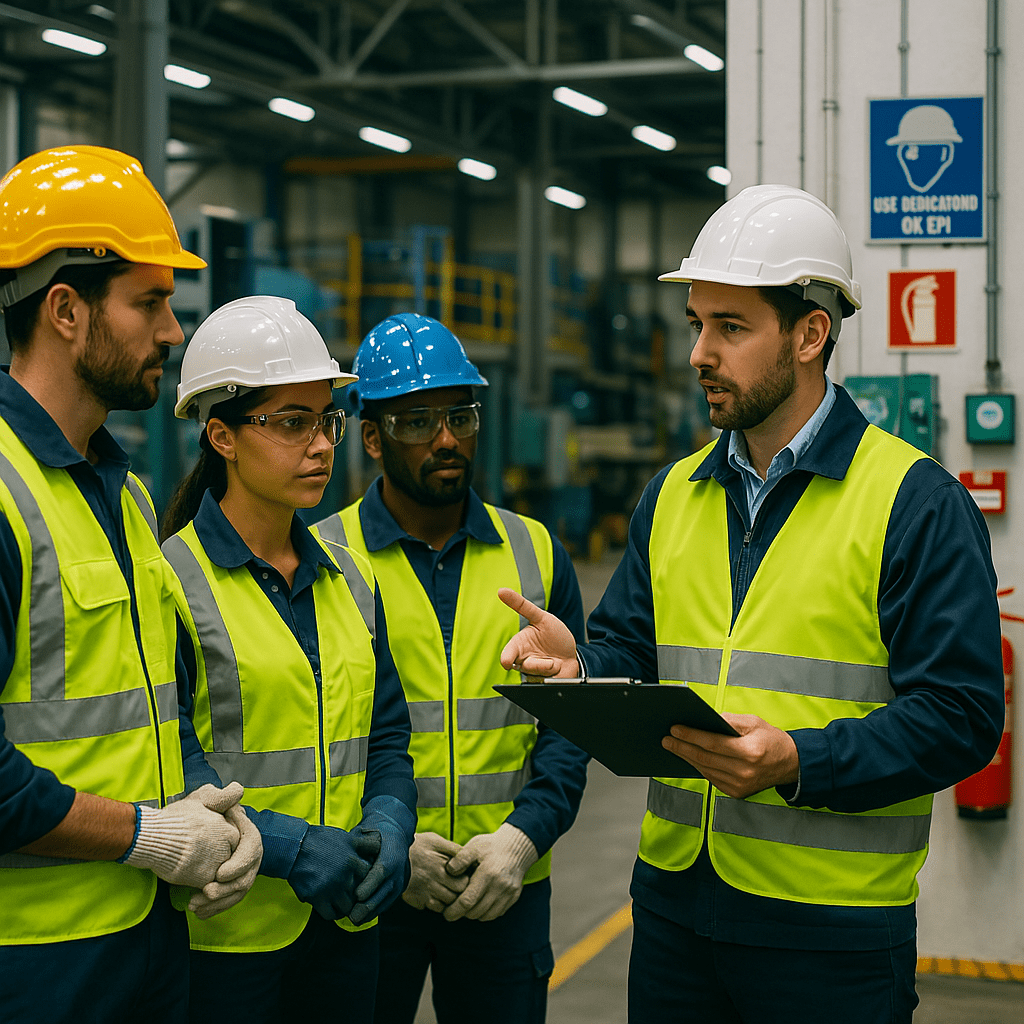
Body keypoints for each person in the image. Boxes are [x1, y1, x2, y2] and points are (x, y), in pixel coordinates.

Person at [498, 184, 1004, 1024]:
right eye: (696, 323)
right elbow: (637, 653)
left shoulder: (913, 503)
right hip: (672, 914)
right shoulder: (672, 496)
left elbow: (960, 715)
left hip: (832, 934)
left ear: (811, 335)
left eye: (730, 328)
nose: (699, 352)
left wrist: (799, 762)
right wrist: (580, 665)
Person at [0, 145, 262, 1024]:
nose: (174, 331)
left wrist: (204, 806)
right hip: (36, 963)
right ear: (67, 310)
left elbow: (141, 708)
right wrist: (148, 835)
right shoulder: (3, 494)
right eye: (150, 302)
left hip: (146, 944)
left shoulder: (126, 492)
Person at [313, 312, 589, 1024]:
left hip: (505, 881)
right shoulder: (322, 561)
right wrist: (387, 849)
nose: (446, 439)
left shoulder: (535, 553)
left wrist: (525, 838)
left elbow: (570, 727)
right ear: (370, 438)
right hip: (372, 885)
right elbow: (319, 738)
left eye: (460, 416)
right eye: (416, 422)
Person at [161, 295, 418, 1023]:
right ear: (223, 436)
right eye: (291, 423)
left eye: (327, 421)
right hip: (223, 938)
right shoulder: (168, 582)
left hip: (345, 925)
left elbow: (388, 734)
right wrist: (292, 848)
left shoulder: (350, 577)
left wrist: (393, 824)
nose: (321, 446)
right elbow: (166, 758)